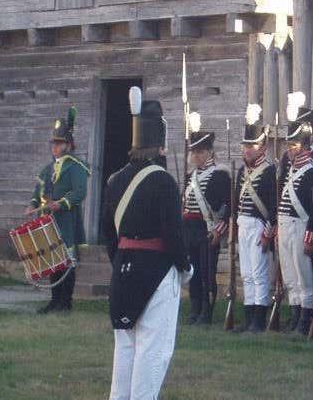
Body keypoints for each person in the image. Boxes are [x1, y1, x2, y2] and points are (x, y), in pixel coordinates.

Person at [102, 87, 193, 400]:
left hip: (122, 273)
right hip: (157, 274)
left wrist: (121, 262)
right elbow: (174, 236)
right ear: (160, 144)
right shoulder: (164, 181)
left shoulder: (114, 180)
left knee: (124, 357)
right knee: (152, 358)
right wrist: (185, 268)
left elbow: (108, 236)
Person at [27, 106, 91, 314]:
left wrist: (61, 203)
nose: (54, 147)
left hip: (66, 220)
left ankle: (66, 302)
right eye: (53, 143)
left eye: (59, 143)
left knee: (67, 262)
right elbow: (39, 191)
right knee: (53, 261)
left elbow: (79, 192)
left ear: (68, 145)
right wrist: (33, 204)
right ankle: (54, 301)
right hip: (48, 220)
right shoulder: (47, 169)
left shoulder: (76, 166)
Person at [278, 92, 313, 334]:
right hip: (286, 226)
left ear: (305, 146)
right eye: (288, 145)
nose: (289, 150)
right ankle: (296, 313)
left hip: (301, 226)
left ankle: (307, 317)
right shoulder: (290, 169)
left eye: (294, 145)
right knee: (290, 273)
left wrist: (311, 235)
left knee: (304, 274)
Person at [182, 111, 231, 325]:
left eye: (200, 151)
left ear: (209, 152)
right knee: (192, 271)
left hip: (207, 229)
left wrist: (217, 232)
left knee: (206, 272)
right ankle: (195, 310)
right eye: (194, 151)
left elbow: (226, 209)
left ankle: (206, 312)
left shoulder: (219, 175)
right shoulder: (189, 177)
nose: (195, 155)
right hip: (189, 228)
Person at [233, 104, 277, 332]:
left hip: (259, 226)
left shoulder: (270, 171)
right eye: (245, 145)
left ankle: (259, 319)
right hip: (243, 224)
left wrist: (268, 232)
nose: (247, 150)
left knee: (259, 273)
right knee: (246, 273)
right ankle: (249, 316)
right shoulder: (242, 172)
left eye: (252, 145)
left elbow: (273, 206)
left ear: (262, 147)